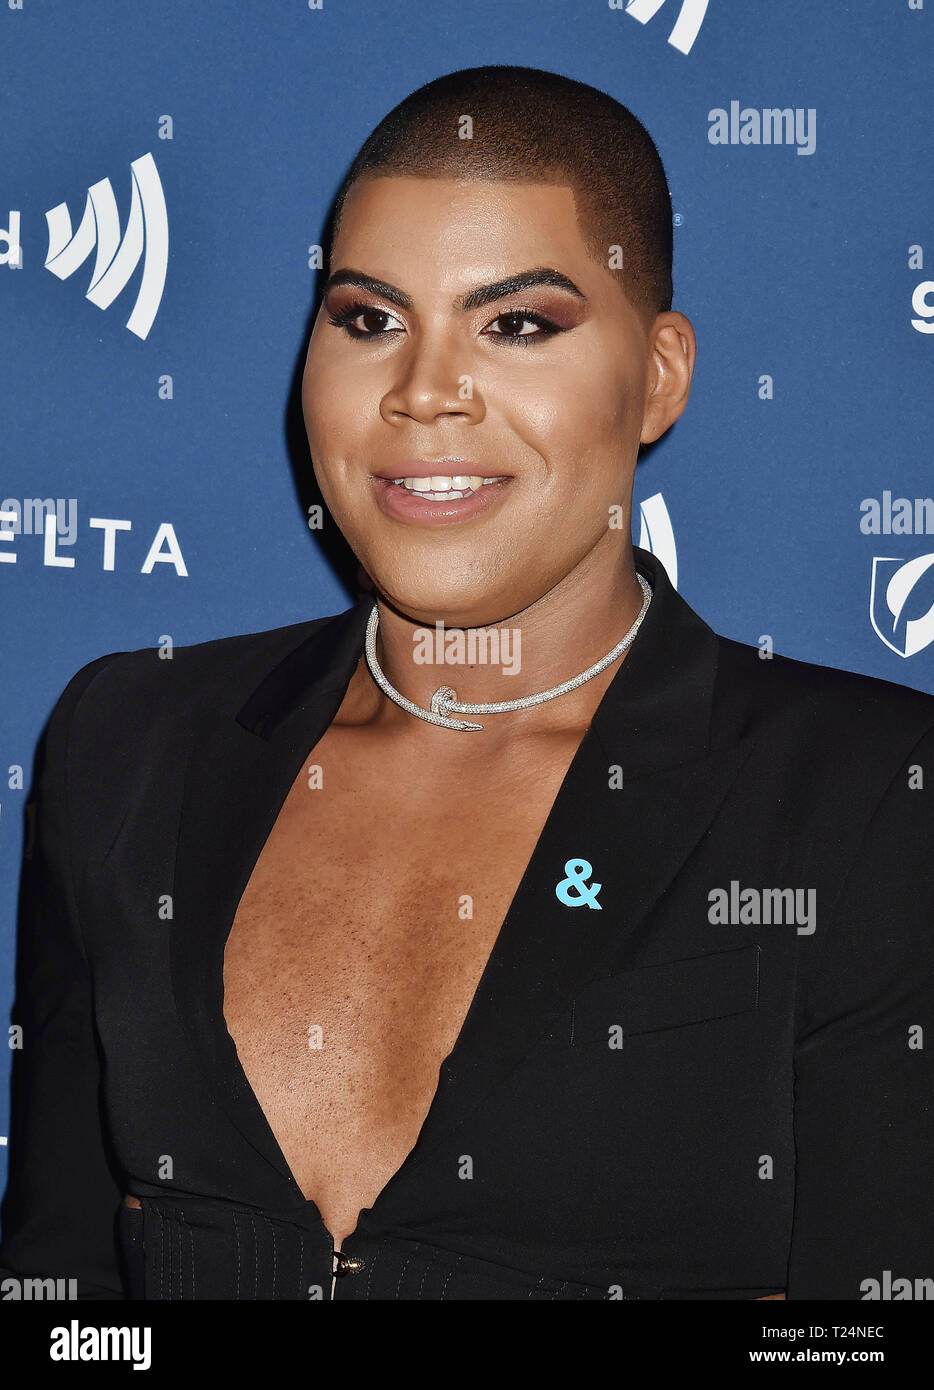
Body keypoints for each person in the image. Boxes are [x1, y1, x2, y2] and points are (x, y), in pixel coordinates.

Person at [1, 64, 932, 1301]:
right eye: (369, 318)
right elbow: (61, 1295)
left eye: (517, 323)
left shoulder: (867, 796)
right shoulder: (127, 740)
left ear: (658, 376)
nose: (422, 391)